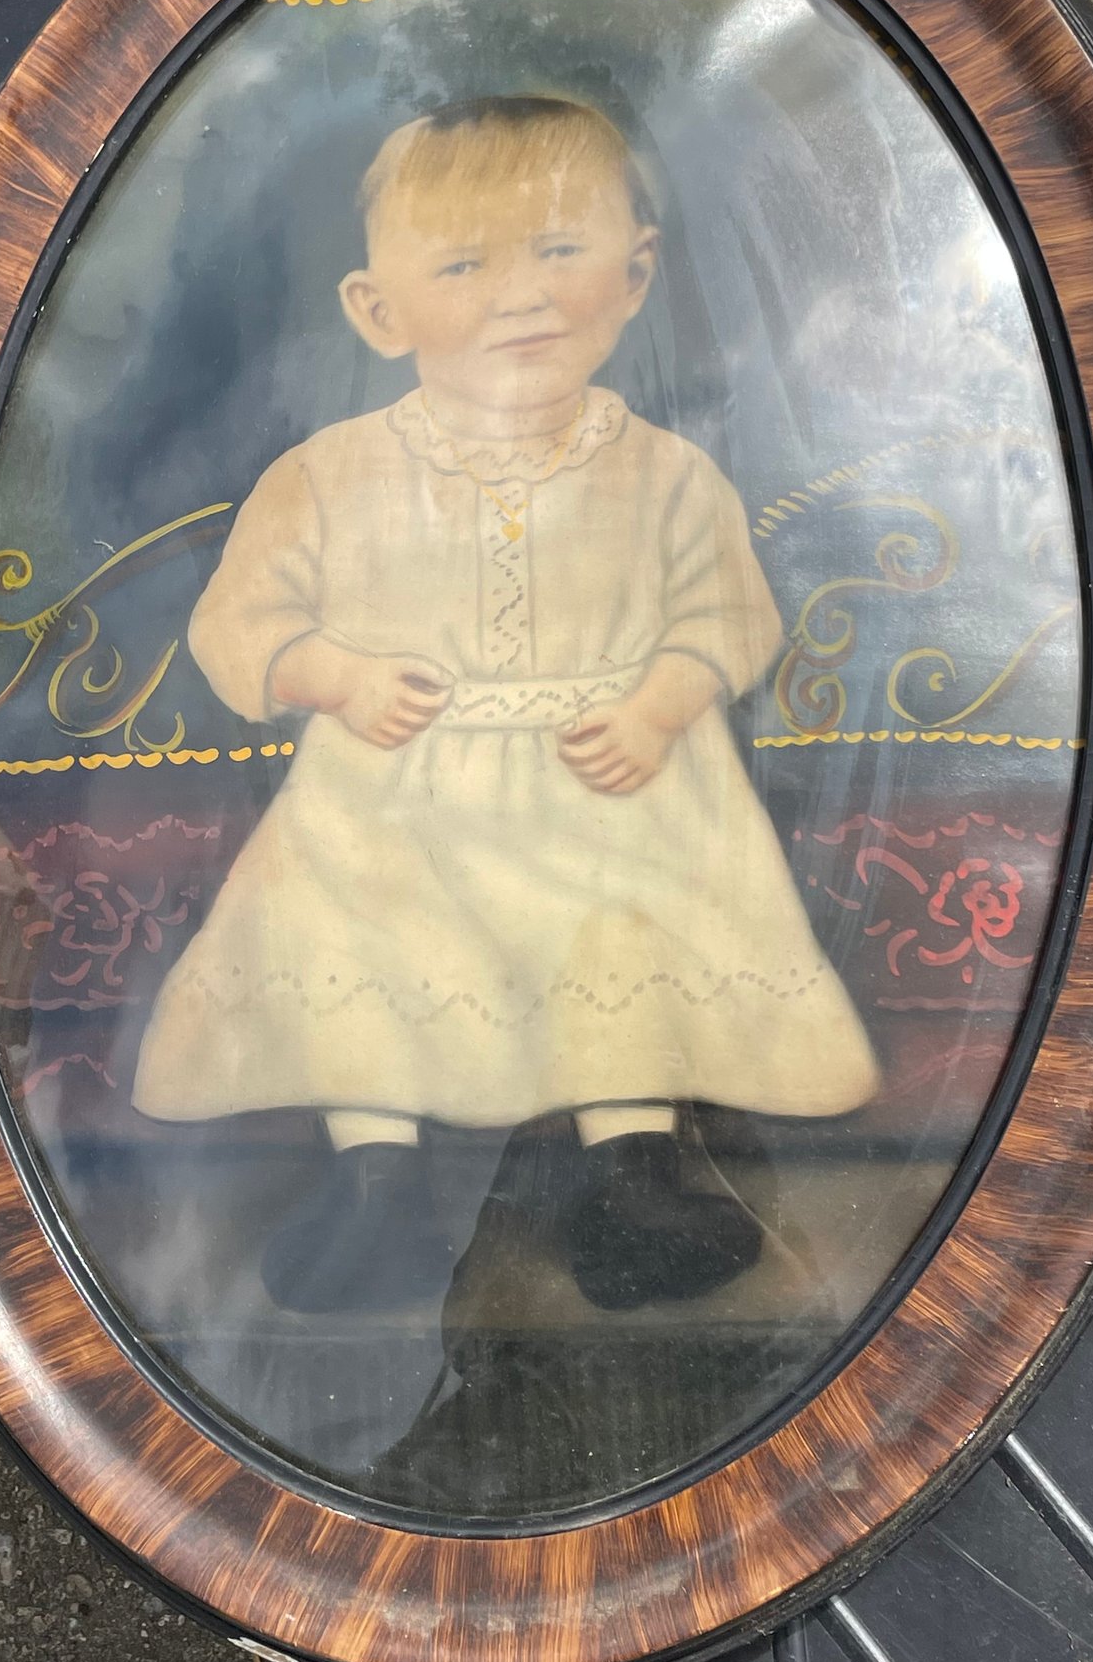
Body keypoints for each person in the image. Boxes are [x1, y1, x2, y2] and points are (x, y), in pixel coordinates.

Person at [132, 95, 878, 1311]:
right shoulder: (326, 474)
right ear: (379, 308)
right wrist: (339, 675)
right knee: (357, 952)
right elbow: (236, 626)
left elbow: (730, 616)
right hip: (392, 791)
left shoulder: (668, 474)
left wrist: (656, 706)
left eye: (559, 249)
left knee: (615, 951)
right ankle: (375, 1182)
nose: (519, 294)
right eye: (465, 263)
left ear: (634, 275)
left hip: (608, 780)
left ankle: (631, 1169)